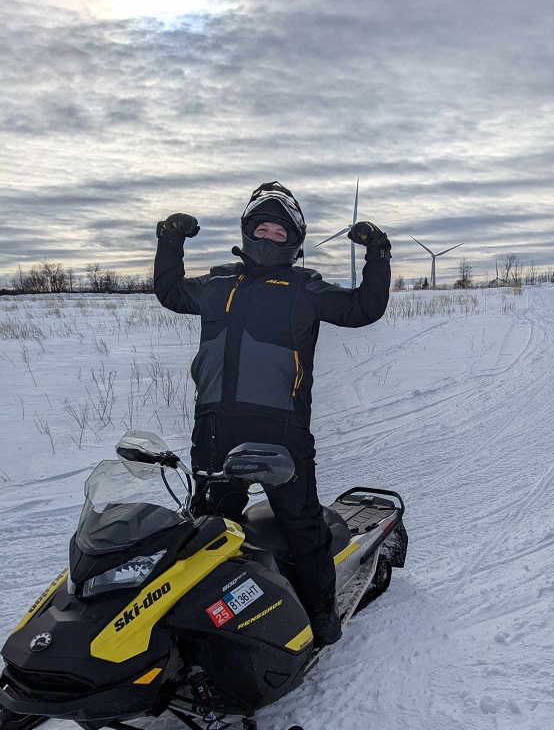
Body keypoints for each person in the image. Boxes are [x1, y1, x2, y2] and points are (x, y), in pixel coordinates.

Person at [153, 181, 391, 647]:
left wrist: (377, 254)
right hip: (215, 426)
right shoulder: (217, 281)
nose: (268, 237)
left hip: (281, 430)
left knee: (302, 525)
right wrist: (170, 240)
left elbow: (365, 308)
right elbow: (168, 292)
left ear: (294, 241)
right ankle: (202, 623)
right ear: (245, 232)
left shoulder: (305, 287)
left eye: (278, 232)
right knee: (208, 527)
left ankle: (322, 617)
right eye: (260, 227)